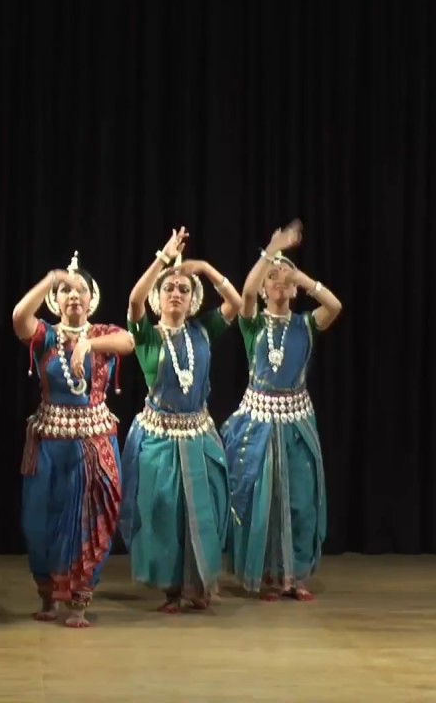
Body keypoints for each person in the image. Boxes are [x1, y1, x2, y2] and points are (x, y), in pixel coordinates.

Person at [119, 227, 244, 613]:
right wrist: (162, 260)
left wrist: (203, 267)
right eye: (169, 288)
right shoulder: (147, 336)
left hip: (199, 435)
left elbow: (237, 303)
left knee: (204, 511)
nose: (176, 293)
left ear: (192, 300)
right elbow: (133, 299)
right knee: (165, 513)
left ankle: (201, 585)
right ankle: (174, 589)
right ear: (159, 298)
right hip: (158, 438)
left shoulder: (202, 330)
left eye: (184, 289)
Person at [12, 251, 135, 628]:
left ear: (91, 298)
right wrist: (50, 279)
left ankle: (79, 600)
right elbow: (19, 318)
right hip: (49, 444)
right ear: (56, 299)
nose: (73, 296)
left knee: (87, 519)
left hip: (93, 445)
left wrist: (87, 346)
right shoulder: (46, 335)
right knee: (40, 521)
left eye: (80, 290)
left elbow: (128, 341)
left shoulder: (103, 334)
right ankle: (49, 596)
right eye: (65, 291)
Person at [221, 220, 342, 601]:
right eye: (272, 278)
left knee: (300, 499)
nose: (278, 283)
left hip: (297, 423)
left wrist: (299, 275)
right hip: (257, 423)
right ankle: (268, 576)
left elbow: (335, 306)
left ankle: (296, 575)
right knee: (262, 501)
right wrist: (272, 250)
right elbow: (247, 290)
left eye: (283, 280)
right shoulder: (252, 323)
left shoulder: (307, 324)